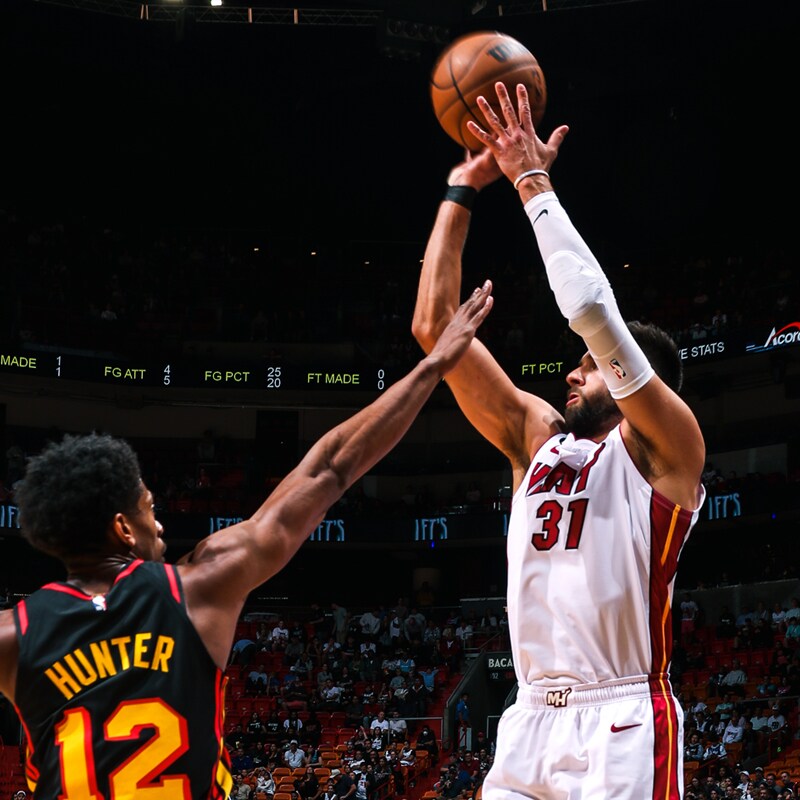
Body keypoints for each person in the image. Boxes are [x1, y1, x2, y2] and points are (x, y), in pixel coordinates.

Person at [0, 287, 493, 800]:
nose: (161, 527)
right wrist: (433, 366)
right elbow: (330, 467)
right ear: (123, 529)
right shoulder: (200, 587)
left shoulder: (16, 635)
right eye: (149, 509)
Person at [411, 81, 706, 799]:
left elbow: (591, 311)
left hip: (624, 718)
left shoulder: (668, 450)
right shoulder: (536, 439)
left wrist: (531, 182)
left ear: (637, 381)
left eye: (589, 368)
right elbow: (434, 327)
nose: (573, 374)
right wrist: (460, 191)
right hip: (530, 720)